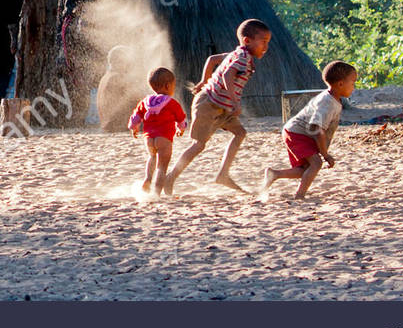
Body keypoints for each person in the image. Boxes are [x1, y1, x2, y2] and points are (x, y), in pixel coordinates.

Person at [164, 18, 272, 194]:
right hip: (209, 104)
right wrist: (235, 102)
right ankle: (170, 178)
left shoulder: (237, 54)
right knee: (198, 144)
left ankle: (223, 174)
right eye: (263, 42)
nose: (266, 47)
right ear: (247, 41)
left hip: (223, 106)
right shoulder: (242, 58)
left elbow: (212, 59)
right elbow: (227, 76)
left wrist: (204, 80)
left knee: (240, 133)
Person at [263, 61, 358, 200]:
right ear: (340, 84)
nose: (354, 86)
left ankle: (274, 174)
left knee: (307, 169)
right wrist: (325, 154)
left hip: (299, 133)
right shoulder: (327, 103)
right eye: (353, 82)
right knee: (316, 163)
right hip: (297, 133)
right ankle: (299, 195)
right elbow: (316, 128)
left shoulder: (333, 99)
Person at [129, 66, 189, 195]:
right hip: (164, 138)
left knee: (152, 157)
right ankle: (156, 192)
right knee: (162, 167)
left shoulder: (145, 101)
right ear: (168, 86)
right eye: (173, 85)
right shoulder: (171, 103)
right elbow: (181, 119)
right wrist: (181, 129)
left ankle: (148, 178)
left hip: (149, 138)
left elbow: (136, 116)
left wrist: (134, 127)